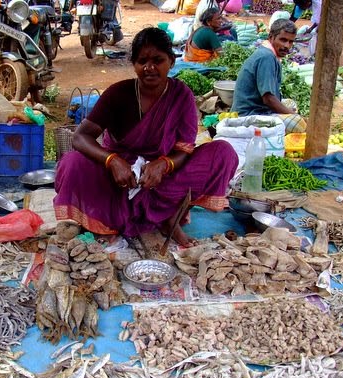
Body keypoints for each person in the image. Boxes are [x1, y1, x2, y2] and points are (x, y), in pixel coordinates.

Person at [54, 27, 239, 247]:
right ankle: (103, 221)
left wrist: (164, 164)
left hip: (161, 182)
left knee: (223, 153)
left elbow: (184, 151)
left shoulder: (182, 96)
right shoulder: (118, 93)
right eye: (142, 61)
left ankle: (171, 218)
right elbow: (80, 138)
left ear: (171, 61)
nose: (149, 68)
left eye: (157, 60)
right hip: (119, 181)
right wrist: (112, 161)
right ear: (134, 64)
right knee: (71, 163)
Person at [230, 19, 307, 134]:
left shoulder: (267, 54)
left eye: (291, 42)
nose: (287, 46)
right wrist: (294, 116)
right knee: (299, 124)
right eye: (283, 40)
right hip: (247, 116)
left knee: (290, 104)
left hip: (255, 111)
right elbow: (268, 99)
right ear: (271, 37)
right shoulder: (266, 58)